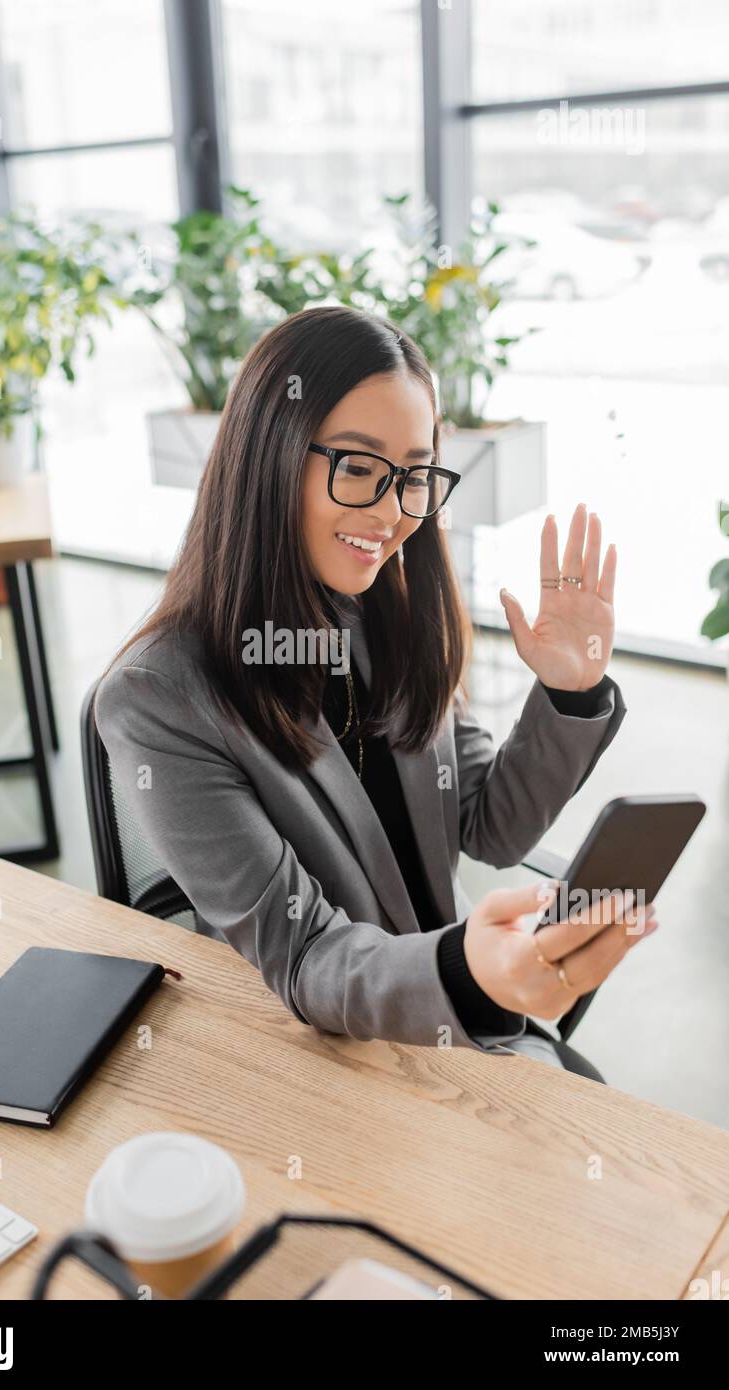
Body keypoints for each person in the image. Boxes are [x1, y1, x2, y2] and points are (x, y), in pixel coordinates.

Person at [96, 305, 658, 1080]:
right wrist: (465, 971)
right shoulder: (158, 699)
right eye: (358, 468)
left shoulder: (385, 617)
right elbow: (304, 956)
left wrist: (568, 691)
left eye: (414, 476)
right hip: (333, 1056)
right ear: (267, 456)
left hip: (462, 1019)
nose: (392, 513)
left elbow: (489, 829)